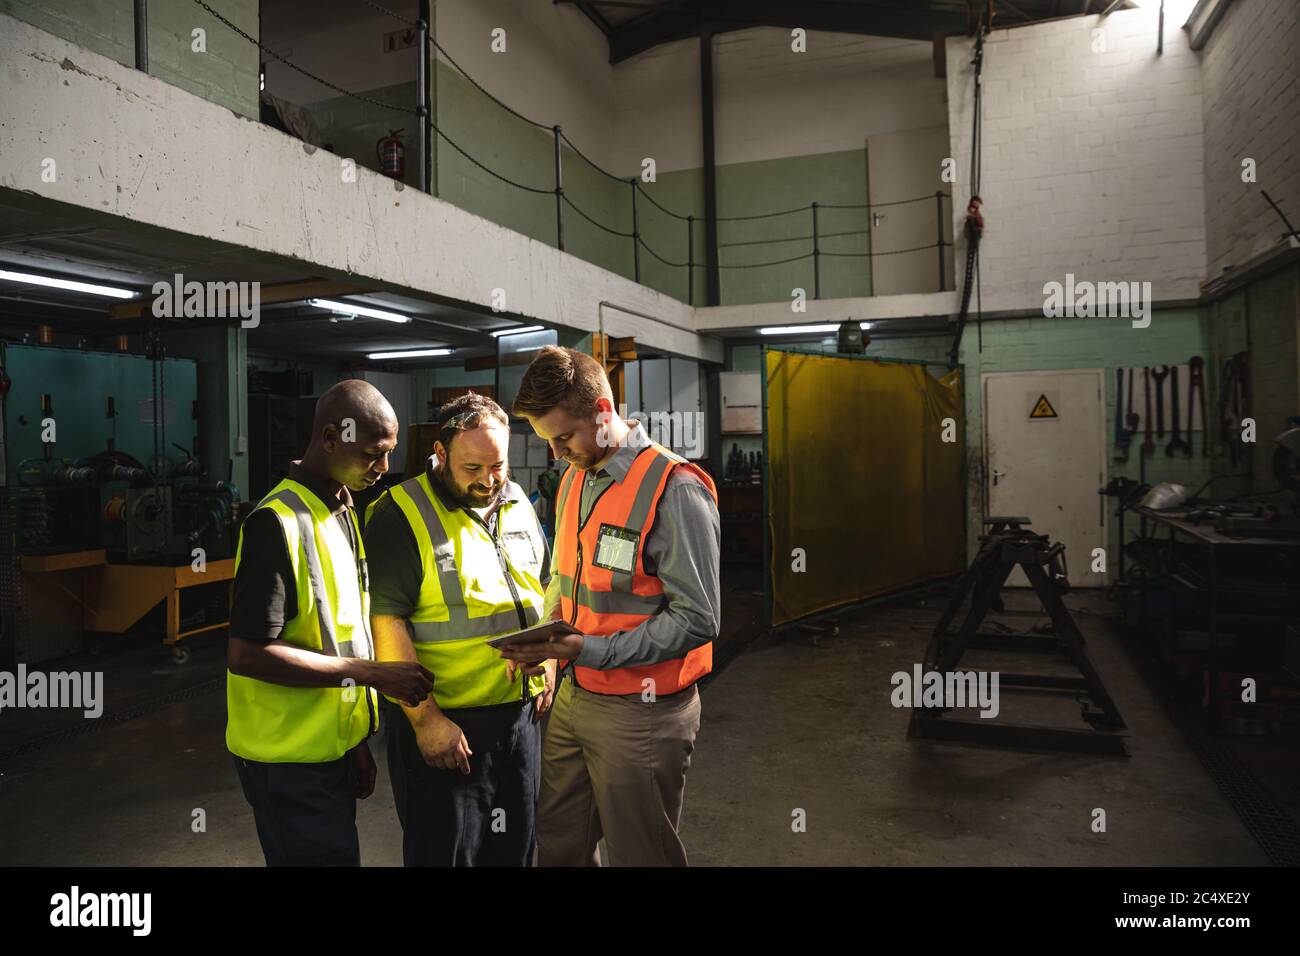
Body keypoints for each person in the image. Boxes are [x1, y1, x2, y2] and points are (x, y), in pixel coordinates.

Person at [501, 346, 720, 867]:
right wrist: (546, 644)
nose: (556, 454)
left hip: (641, 712)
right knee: (558, 842)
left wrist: (590, 649)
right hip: (574, 697)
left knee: (641, 854)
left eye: (562, 437)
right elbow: (565, 575)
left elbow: (700, 618)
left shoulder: (676, 489)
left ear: (602, 413)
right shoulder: (577, 476)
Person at [227, 379, 434, 867]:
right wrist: (374, 674)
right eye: (372, 454)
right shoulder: (274, 523)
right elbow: (247, 654)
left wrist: (354, 743)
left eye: (388, 454)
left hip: (328, 751)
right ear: (328, 438)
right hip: (286, 761)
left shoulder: (340, 509)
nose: (383, 469)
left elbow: (338, 632)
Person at [364, 392, 553, 866]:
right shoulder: (400, 514)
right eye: (473, 469)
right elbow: (385, 622)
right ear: (441, 454)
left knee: (516, 851)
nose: (489, 482)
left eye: (498, 467)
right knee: (447, 854)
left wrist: (549, 658)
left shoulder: (517, 503)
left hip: (519, 720)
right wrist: (426, 721)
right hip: (448, 729)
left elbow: (544, 586)